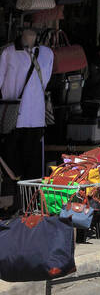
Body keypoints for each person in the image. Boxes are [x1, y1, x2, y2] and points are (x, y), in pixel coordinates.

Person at [0, 27, 54, 182]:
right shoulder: (8, 53)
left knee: (34, 171)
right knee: (11, 168)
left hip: (36, 118)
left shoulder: (47, 53)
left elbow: (45, 81)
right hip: (12, 119)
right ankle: (13, 204)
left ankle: (30, 204)